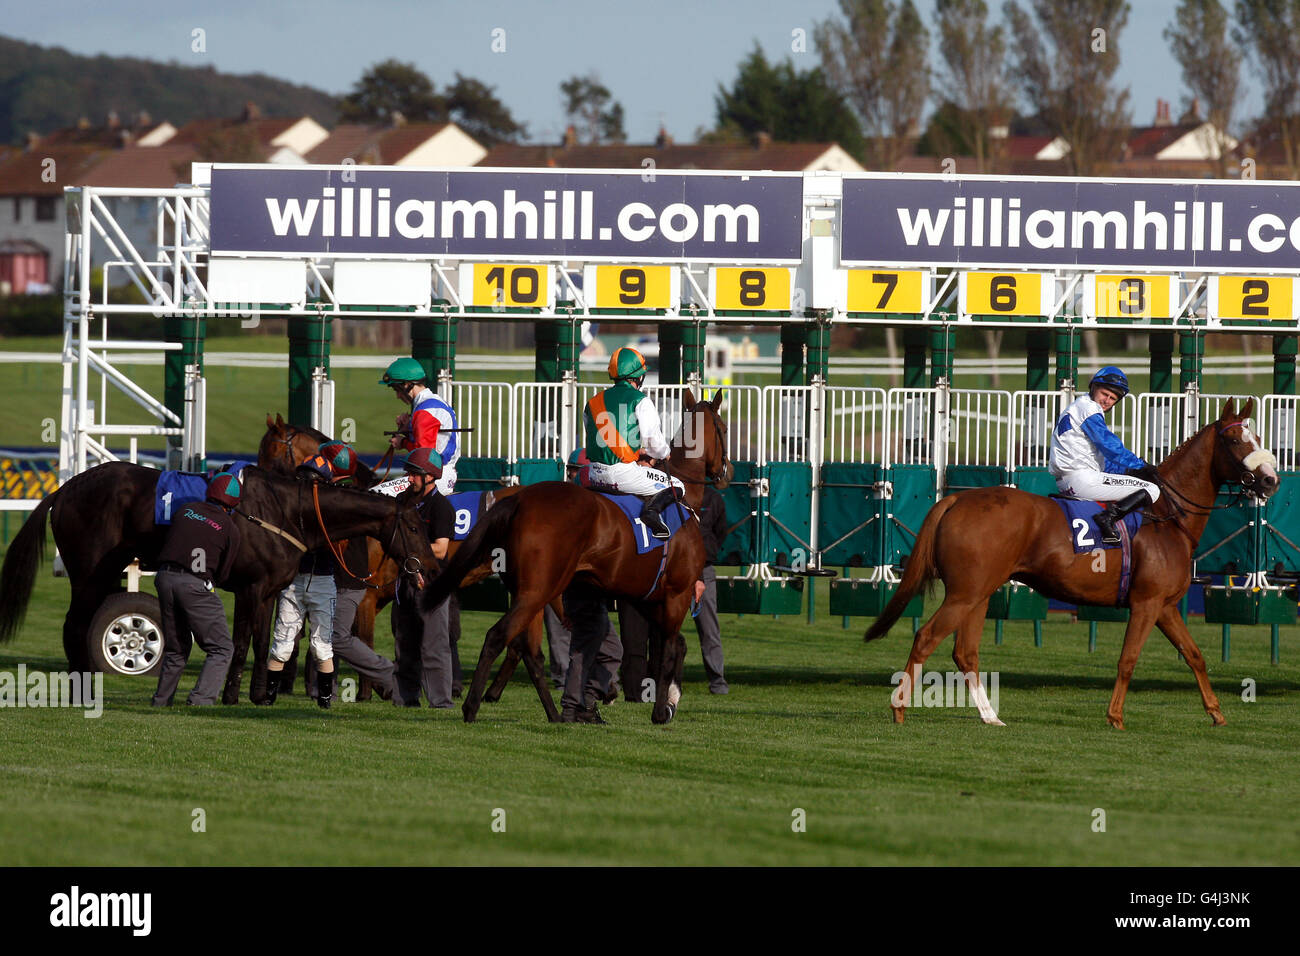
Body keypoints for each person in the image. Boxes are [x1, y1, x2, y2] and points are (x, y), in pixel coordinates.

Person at [313, 441, 402, 703]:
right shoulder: (348, 493)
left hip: (345, 580)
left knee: (337, 638)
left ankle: (386, 674)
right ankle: (322, 691)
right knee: (323, 637)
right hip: (337, 578)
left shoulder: (340, 497)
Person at [151, 472, 243, 707]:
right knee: (221, 648)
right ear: (234, 503)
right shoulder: (230, 527)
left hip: (164, 578)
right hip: (195, 584)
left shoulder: (186, 509)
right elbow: (223, 573)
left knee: (176, 648)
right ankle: (200, 701)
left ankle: (161, 701)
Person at [1049, 366, 1161, 545]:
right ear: (1093, 388)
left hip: (1069, 481)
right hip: (1082, 480)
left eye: (1113, 398)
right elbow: (1110, 446)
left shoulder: (1078, 407)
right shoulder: (1089, 409)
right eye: (1105, 394)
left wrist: (1127, 471)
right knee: (1152, 490)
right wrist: (1140, 466)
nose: (1107, 400)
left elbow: (1101, 460)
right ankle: (1106, 519)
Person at [265, 453, 344, 708]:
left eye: (312, 479)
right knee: (282, 645)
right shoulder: (288, 508)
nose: (307, 483)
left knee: (321, 647)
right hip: (294, 580)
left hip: (322, 580)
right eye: (304, 477)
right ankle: (268, 698)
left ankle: (324, 701)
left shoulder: (331, 511)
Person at [581, 346, 684, 539]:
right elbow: (653, 439)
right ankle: (651, 513)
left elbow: (601, 438)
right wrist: (664, 454)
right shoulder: (640, 400)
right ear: (638, 377)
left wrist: (637, 452)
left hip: (593, 474)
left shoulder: (592, 402)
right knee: (677, 485)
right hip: (622, 476)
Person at [390, 447, 456, 709]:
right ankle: (405, 699)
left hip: (431, 585)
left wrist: (409, 553)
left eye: (415, 474)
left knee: (434, 646)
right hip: (405, 581)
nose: (409, 478)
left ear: (430, 476)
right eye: (409, 473)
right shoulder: (405, 500)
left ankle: (440, 702)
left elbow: (440, 549)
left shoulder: (441, 507)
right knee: (404, 642)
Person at [378, 357, 460, 497]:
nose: (398, 396)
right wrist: (407, 429)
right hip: (439, 474)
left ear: (408, 384)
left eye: (397, 389)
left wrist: (402, 442)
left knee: (375, 494)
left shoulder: (424, 411)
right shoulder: (432, 402)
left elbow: (423, 457)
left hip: (431, 477)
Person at [692, 485, 729, 694]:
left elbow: (720, 531)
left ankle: (718, 681)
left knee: (709, 629)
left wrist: (705, 555)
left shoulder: (713, 498)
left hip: (704, 570)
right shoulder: (672, 491)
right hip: (676, 570)